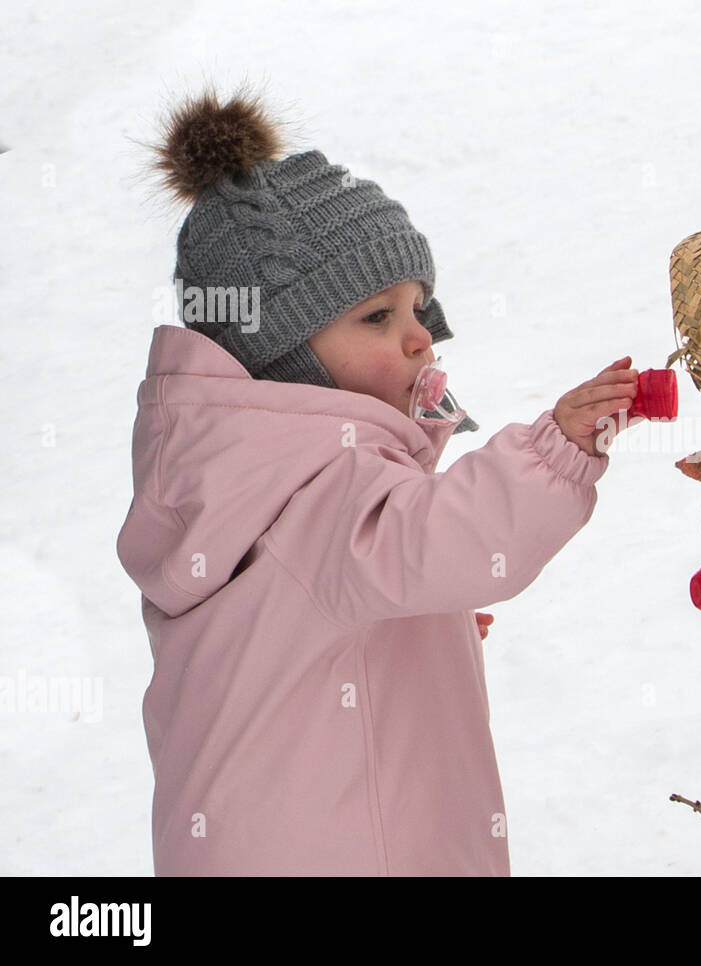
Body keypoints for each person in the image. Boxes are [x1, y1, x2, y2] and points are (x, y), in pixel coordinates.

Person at [116, 86, 640, 875]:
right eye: (376, 318)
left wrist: (408, 635)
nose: (421, 336)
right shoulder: (322, 484)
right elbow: (450, 540)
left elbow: (299, 617)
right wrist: (555, 448)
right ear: (281, 354)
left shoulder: (235, 479)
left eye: (418, 308)